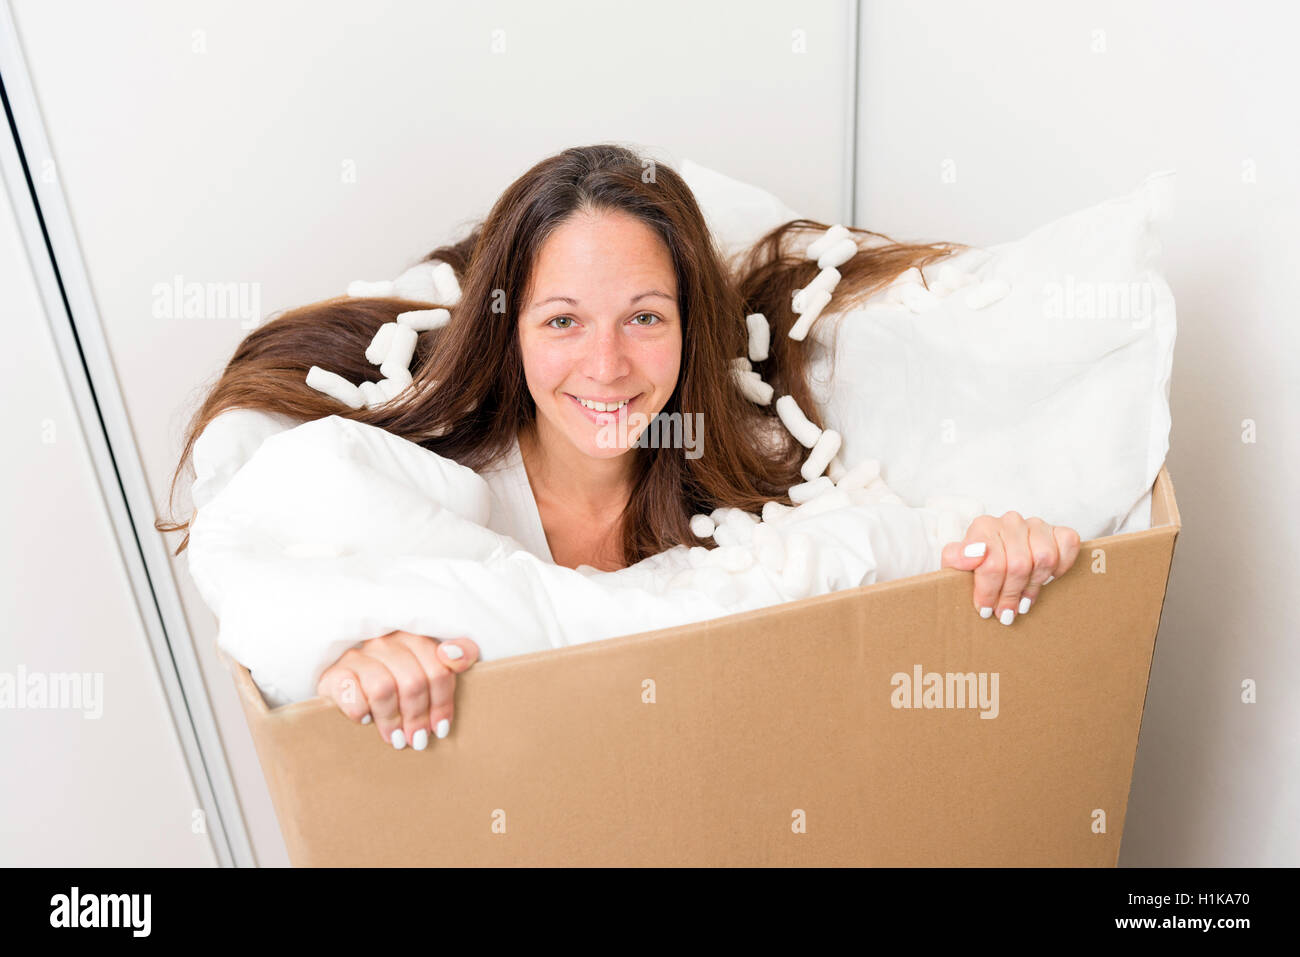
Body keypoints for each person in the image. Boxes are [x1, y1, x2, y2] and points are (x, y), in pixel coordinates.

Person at [158, 144, 1080, 751]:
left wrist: (997, 544)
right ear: (510, 329)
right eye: (563, 321)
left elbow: (878, 543)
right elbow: (279, 575)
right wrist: (346, 654)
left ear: (690, 324)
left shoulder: (743, 480)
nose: (606, 366)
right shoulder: (436, 486)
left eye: (645, 317)